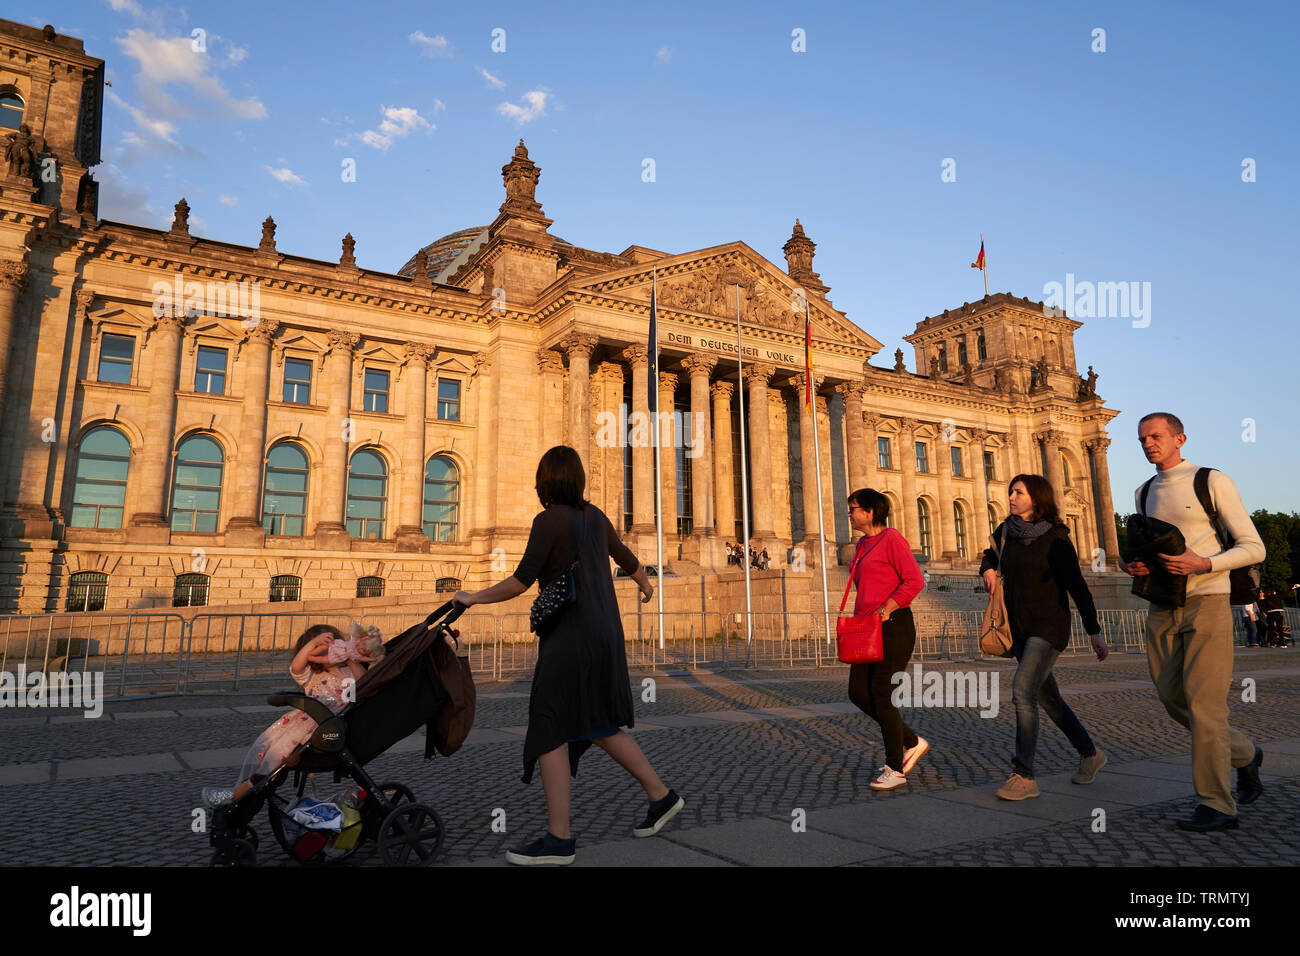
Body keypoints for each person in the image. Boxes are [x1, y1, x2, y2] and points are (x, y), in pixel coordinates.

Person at [452, 445, 683, 865]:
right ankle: (662, 796)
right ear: (577, 479)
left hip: (570, 637)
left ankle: (559, 840)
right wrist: (646, 586)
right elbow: (628, 559)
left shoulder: (547, 521)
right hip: (605, 635)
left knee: (548, 726)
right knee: (597, 722)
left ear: (546, 482)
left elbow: (521, 581)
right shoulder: (595, 517)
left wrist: (472, 597)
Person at [1120, 412, 1266, 832]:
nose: (1149, 443)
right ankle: (1246, 754)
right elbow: (1151, 550)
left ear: (1179, 438)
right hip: (1163, 604)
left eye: (1157, 436)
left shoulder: (1211, 481)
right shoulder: (1142, 492)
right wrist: (1136, 566)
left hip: (1209, 600)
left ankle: (1217, 805)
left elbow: (1253, 547)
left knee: (1205, 706)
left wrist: (1205, 562)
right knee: (1172, 699)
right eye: (1143, 438)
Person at [980, 475, 1109, 801]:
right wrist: (988, 570)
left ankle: (1023, 775)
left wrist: (1094, 631)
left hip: (1049, 628)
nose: (1011, 496)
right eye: (1011, 491)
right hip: (1019, 629)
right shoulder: (1006, 531)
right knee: (1048, 698)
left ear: (1036, 498)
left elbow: (1077, 587)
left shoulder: (1056, 540)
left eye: (1018, 492)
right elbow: (989, 554)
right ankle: (1090, 754)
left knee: (1023, 692)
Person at [200, 623, 378, 807]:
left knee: (276, 756)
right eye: (319, 649)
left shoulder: (348, 672)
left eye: (333, 646)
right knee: (261, 747)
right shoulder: (311, 674)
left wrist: (349, 657)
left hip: (326, 728)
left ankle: (235, 795)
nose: (327, 651)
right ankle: (240, 788)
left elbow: (365, 684)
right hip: (300, 724)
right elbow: (297, 665)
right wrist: (314, 644)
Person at [843, 488, 928, 790]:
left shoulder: (891, 539)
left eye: (852, 508)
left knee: (882, 695)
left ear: (870, 511)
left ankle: (896, 768)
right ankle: (912, 741)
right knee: (858, 693)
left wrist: (887, 607)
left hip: (894, 626)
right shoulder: (862, 544)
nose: (849, 514)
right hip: (866, 629)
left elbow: (914, 580)